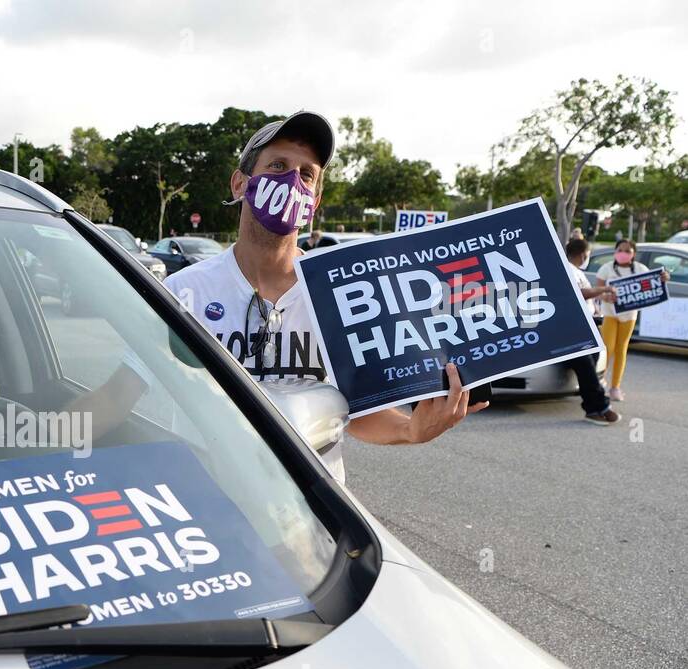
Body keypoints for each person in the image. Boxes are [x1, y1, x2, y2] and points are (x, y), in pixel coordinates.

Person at [71, 111, 483, 482]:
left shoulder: (339, 295)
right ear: (240, 183)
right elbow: (117, 396)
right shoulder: (184, 292)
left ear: (316, 202)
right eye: (278, 165)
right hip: (208, 504)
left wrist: (411, 430)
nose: (292, 181)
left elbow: (353, 412)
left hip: (314, 515)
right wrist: (32, 442)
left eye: (307, 174)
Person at [594, 239, 667, 401]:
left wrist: (663, 278)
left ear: (634, 254)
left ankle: (615, 387)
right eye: (620, 250)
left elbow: (654, 283)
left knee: (621, 349)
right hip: (610, 313)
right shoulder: (606, 268)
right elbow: (597, 290)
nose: (623, 253)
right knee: (608, 348)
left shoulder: (641, 269)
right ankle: (598, 383)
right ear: (615, 251)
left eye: (628, 251)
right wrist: (605, 296)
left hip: (629, 315)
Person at [561, 238, 619, 424]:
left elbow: (588, 294)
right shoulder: (566, 268)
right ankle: (601, 406)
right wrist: (604, 289)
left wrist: (603, 297)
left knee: (590, 365)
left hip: (588, 325)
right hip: (571, 327)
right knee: (585, 364)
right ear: (583, 254)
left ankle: (592, 405)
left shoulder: (578, 272)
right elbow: (578, 293)